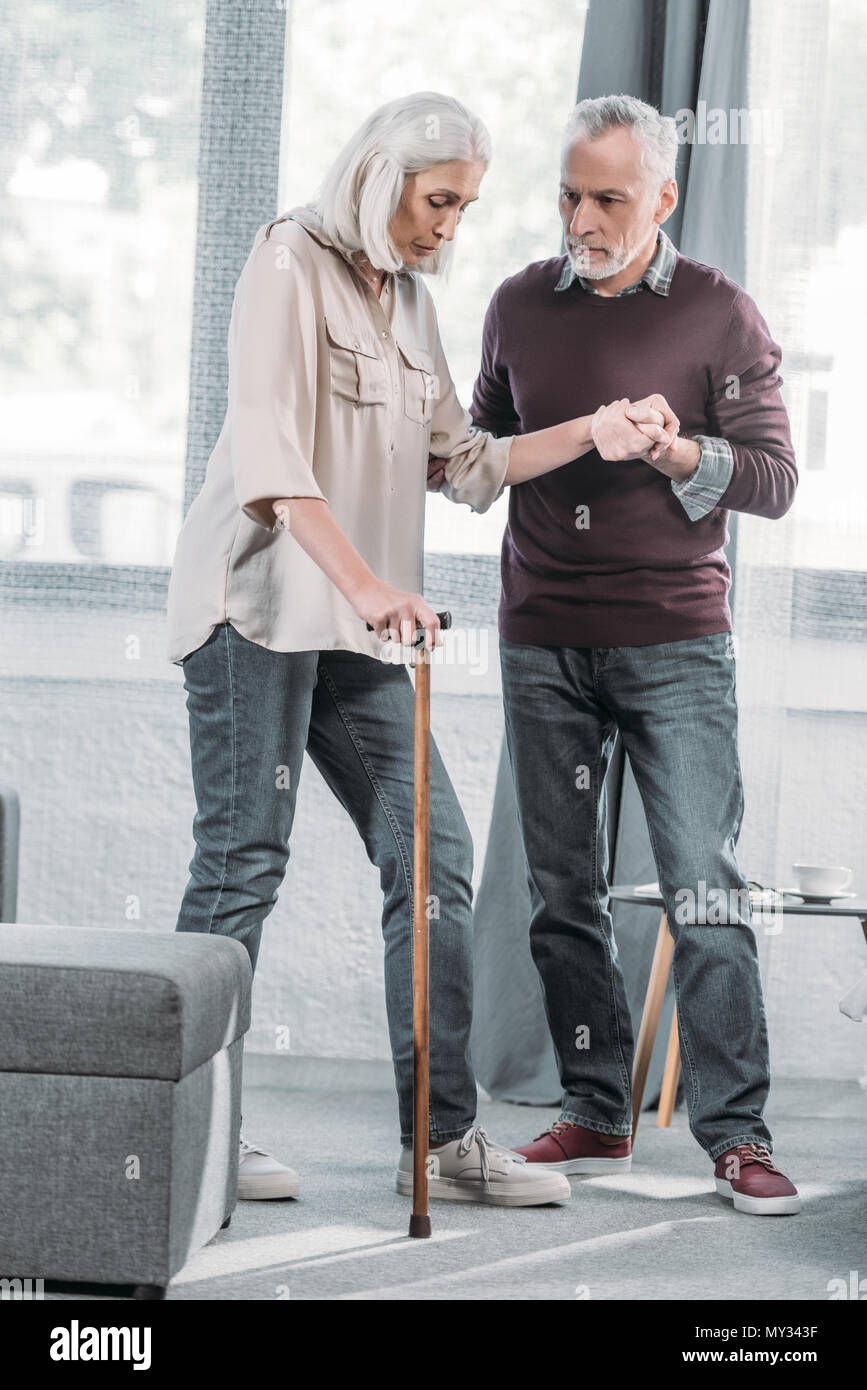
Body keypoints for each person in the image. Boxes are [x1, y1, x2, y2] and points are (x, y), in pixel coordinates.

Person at [166, 91, 676, 1209]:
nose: (450, 228)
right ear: (384, 174)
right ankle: (186, 1128)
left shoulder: (407, 303)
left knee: (435, 859)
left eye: (466, 210)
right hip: (253, 609)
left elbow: (467, 461)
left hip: (355, 626)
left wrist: (593, 431)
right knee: (244, 861)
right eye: (439, 202)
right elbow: (271, 459)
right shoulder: (285, 260)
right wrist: (371, 585)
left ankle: (439, 1139)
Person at [437, 93, 800, 1216]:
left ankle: (736, 1135)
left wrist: (679, 448)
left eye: (606, 198)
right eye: (567, 194)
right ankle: (597, 1108)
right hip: (542, 634)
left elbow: (775, 483)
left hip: (677, 642)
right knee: (562, 894)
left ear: (663, 197)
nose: (580, 219)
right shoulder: (515, 305)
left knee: (706, 890)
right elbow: (480, 455)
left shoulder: (719, 315)